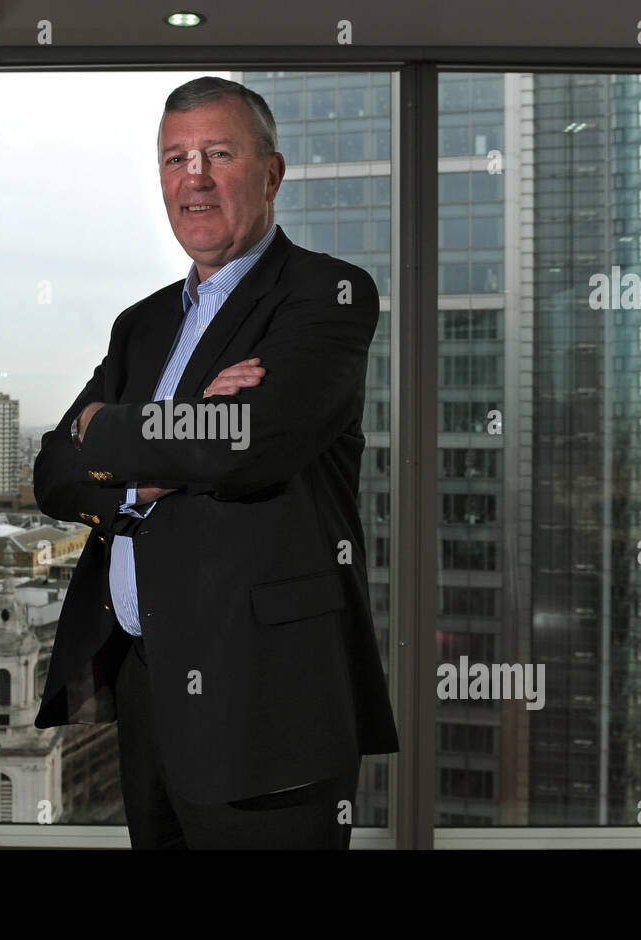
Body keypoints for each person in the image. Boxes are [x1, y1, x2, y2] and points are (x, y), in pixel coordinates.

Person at [32, 76, 399, 849]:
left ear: (271, 174)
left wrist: (113, 431)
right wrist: (160, 447)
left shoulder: (326, 296)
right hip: (144, 681)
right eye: (174, 159)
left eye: (218, 154)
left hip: (267, 694)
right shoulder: (143, 324)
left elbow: (247, 447)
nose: (192, 177)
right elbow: (53, 470)